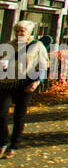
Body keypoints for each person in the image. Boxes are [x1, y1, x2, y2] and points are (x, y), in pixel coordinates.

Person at [0, 20, 50, 159]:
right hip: (6, 83)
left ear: (29, 32)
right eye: (17, 31)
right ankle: (3, 142)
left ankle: (13, 145)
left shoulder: (37, 46)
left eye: (22, 31)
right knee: (1, 113)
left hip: (25, 83)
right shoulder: (8, 46)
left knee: (19, 115)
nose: (19, 33)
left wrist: (36, 83)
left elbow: (43, 65)